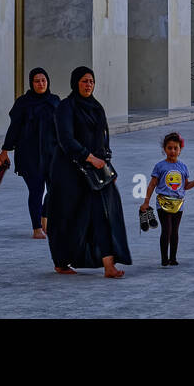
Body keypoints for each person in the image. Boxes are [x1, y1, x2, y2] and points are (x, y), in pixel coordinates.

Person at [46, 67, 132, 277]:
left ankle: (109, 265)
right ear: (76, 83)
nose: (88, 85)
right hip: (68, 173)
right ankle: (61, 261)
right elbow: (66, 140)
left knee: (103, 215)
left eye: (91, 81)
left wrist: (107, 165)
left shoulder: (96, 107)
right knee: (67, 218)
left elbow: (103, 140)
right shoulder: (66, 107)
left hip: (94, 174)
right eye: (84, 81)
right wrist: (89, 157)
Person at [0, 67, 60, 238]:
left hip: (52, 154)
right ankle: (37, 228)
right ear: (31, 83)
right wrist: (5, 150)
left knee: (56, 189)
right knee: (36, 190)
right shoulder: (23, 103)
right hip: (29, 155)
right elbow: (14, 128)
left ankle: (44, 215)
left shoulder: (54, 101)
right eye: (37, 81)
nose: (40, 84)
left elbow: (63, 129)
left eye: (43, 80)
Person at [139, 131, 194, 267]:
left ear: (180, 150)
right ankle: (164, 258)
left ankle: (173, 258)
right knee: (166, 230)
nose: (172, 151)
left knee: (175, 231)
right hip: (163, 203)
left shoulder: (183, 167)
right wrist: (146, 202)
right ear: (164, 149)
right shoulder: (160, 166)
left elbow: (185, 186)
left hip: (178, 204)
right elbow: (152, 184)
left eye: (175, 148)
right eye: (169, 148)